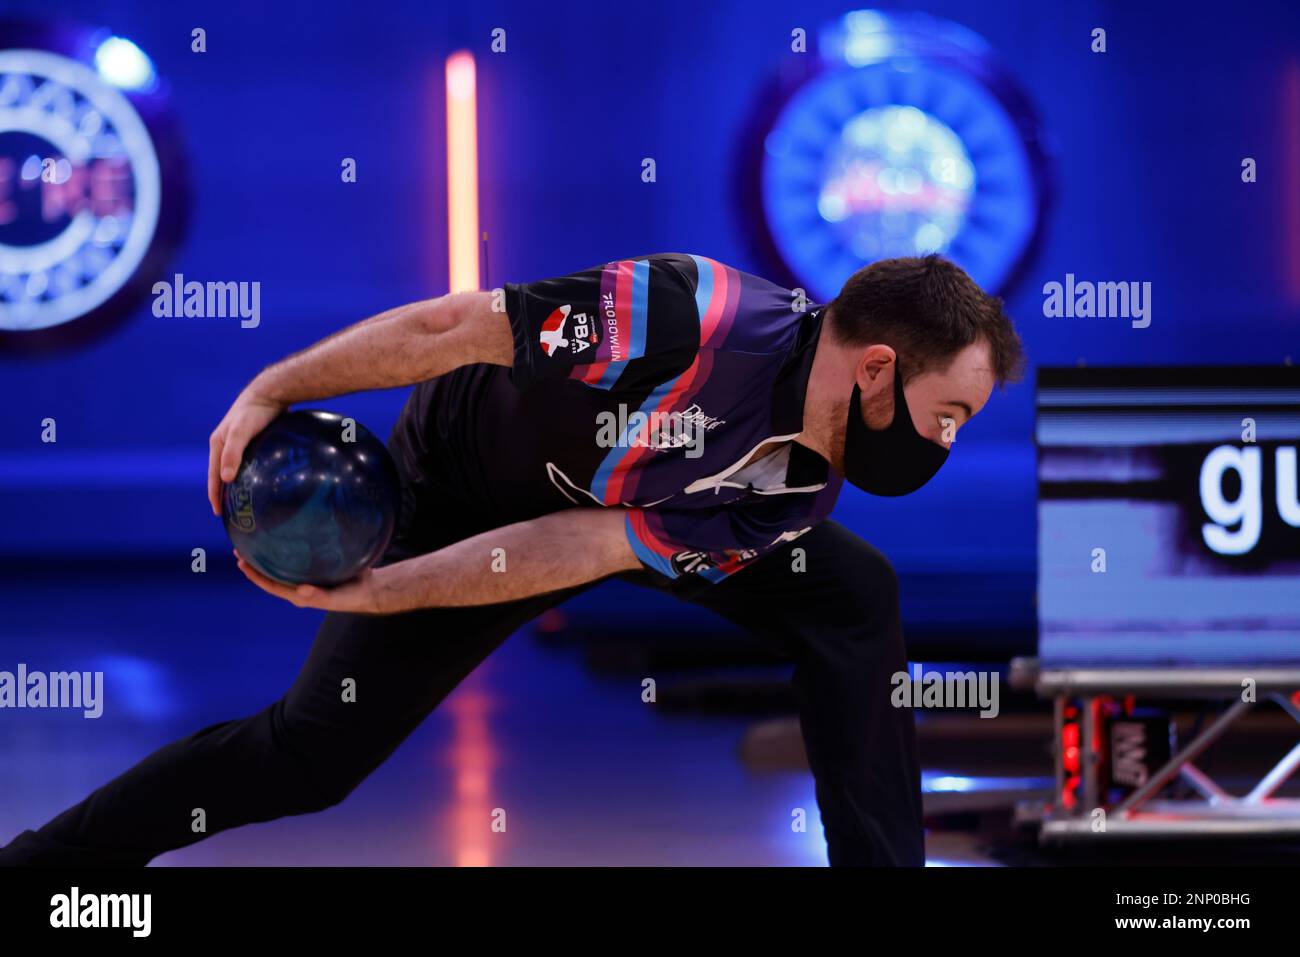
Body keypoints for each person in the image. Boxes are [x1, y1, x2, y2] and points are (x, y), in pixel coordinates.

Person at [0, 252, 1022, 867]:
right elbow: (454, 328)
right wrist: (276, 390)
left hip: (619, 513)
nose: (943, 445)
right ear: (879, 369)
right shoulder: (690, 315)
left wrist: (392, 596)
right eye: (946, 417)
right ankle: (46, 871)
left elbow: (587, 548)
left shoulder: (798, 491)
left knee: (854, 595)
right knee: (308, 759)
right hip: (463, 483)